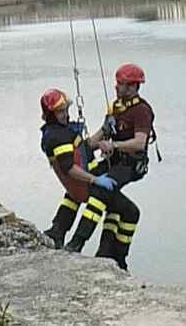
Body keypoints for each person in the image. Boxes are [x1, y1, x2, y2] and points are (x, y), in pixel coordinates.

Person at [64, 63, 153, 269]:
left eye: (120, 84)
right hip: (113, 161)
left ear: (132, 87)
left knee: (102, 190)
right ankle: (63, 231)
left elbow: (140, 143)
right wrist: (80, 150)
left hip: (130, 165)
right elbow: (100, 136)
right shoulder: (116, 108)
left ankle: (78, 242)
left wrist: (114, 145)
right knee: (82, 179)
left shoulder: (141, 111)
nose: (116, 87)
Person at [37, 88, 105, 249]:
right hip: (86, 178)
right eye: (60, 112)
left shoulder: (61, 131)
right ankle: (77, 242)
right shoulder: (57, 137)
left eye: (66, 110)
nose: (66, 114)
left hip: (81, 180)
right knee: (116, 204)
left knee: (73, 197)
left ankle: (58, 230)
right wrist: (93, 179)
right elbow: (69, 168)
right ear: (51, 114)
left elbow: (85, 148)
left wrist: (104, 129)